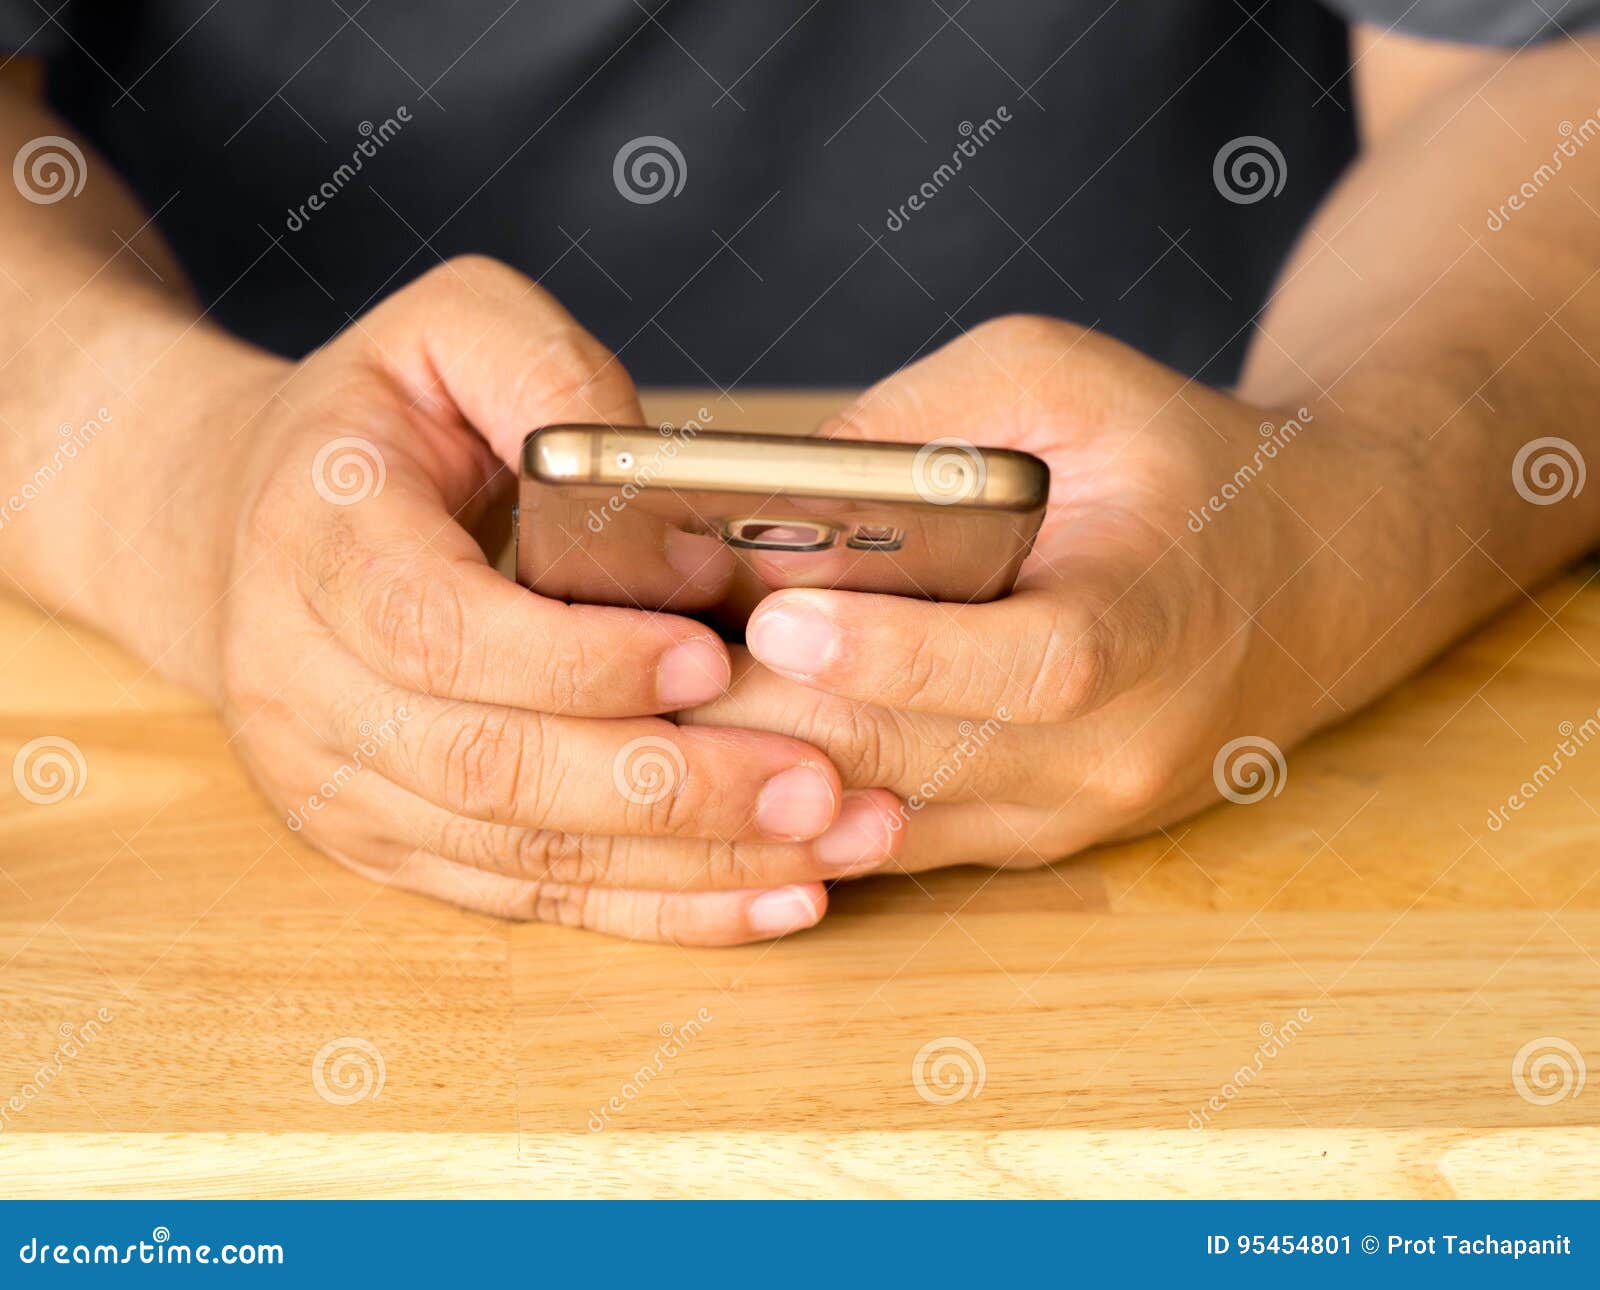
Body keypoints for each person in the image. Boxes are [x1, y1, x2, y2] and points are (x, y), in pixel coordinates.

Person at [2, 3, 1597, 944]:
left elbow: (1537, 76)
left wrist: (1319, 520)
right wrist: (200, 498)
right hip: (202, 625)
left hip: (1224, 552)